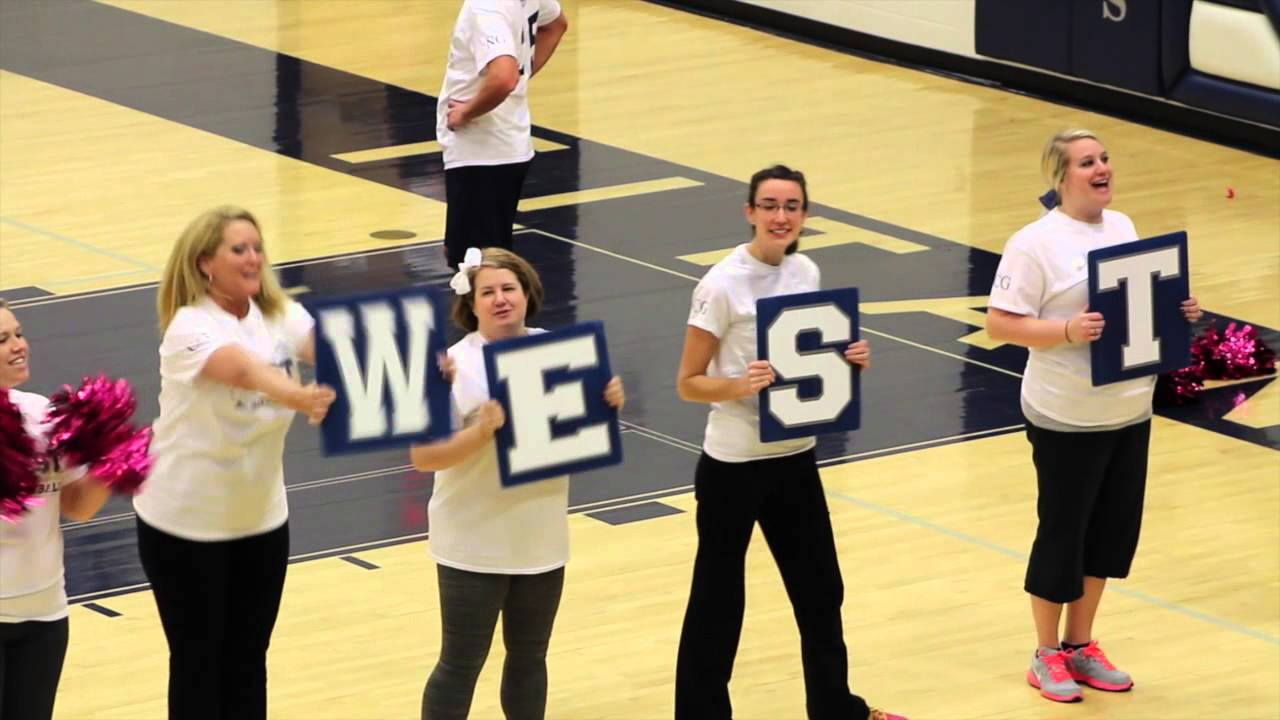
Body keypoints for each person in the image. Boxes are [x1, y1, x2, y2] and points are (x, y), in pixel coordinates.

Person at [673, 165, 903, 720]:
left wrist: (846, 363)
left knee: (822, 590)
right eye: (770, 205)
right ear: (749, 212)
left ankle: (834, 707)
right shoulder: (721, 283)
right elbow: (687, 383)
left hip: (795, 461)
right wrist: (737, 384)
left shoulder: (806, 269)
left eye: (792, 206)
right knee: (719, 602)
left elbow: (807, 364)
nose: (781, 216)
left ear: (805, 215)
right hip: (734, 466)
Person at [985, 129, 1202, 704]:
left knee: (1109, 534)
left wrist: (1175, 309)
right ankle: (1045, 653)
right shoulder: (1033, 243)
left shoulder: (1124, 227)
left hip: (1129, 411)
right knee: (1063, 532)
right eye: (1087, 162)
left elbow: (1134, 310)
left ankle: (1081, 645)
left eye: (1104, 158)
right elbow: (1001, 323)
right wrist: (1065, 331)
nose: (1101, 168)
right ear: (1060, 177)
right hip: (1065, 415)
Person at [132, 206, 335, 720]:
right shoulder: (189, 326)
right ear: (206, 263)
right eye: (238, 249)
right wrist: (296, 394)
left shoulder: (280, 315)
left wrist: (420, 363)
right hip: (183, 524)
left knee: (249, 661)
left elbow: (335, 347)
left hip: (260, 518)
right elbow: (239, 370)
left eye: (257, 247)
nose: (253, 257)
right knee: (199, 663)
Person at [410, 247, 625, 720]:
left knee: (530, 658)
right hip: (472, 540)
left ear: (527, 293)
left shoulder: (560, 351)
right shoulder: (452, 365)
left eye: (509, 288)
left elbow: (579, 434)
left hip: (541, 537)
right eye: (488, 291)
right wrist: (479, 432)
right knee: (460, 663)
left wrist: (607, 402)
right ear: (471, 303)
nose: (501, 299)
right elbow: (423, 457)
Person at [0, 297, 112, 720]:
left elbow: (77, 505)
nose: (18, 346)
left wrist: (110, 457)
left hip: (45, 613)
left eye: (19, 333)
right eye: (2, 339)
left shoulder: (42, 415)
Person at [436, 0, 569, 268]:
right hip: (509, 143)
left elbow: (503, 78)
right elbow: (556, 25)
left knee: (477, 267)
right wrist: (519, 79)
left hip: (481, 150)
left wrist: (466, 112)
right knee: (480, 258)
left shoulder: (485, 6)